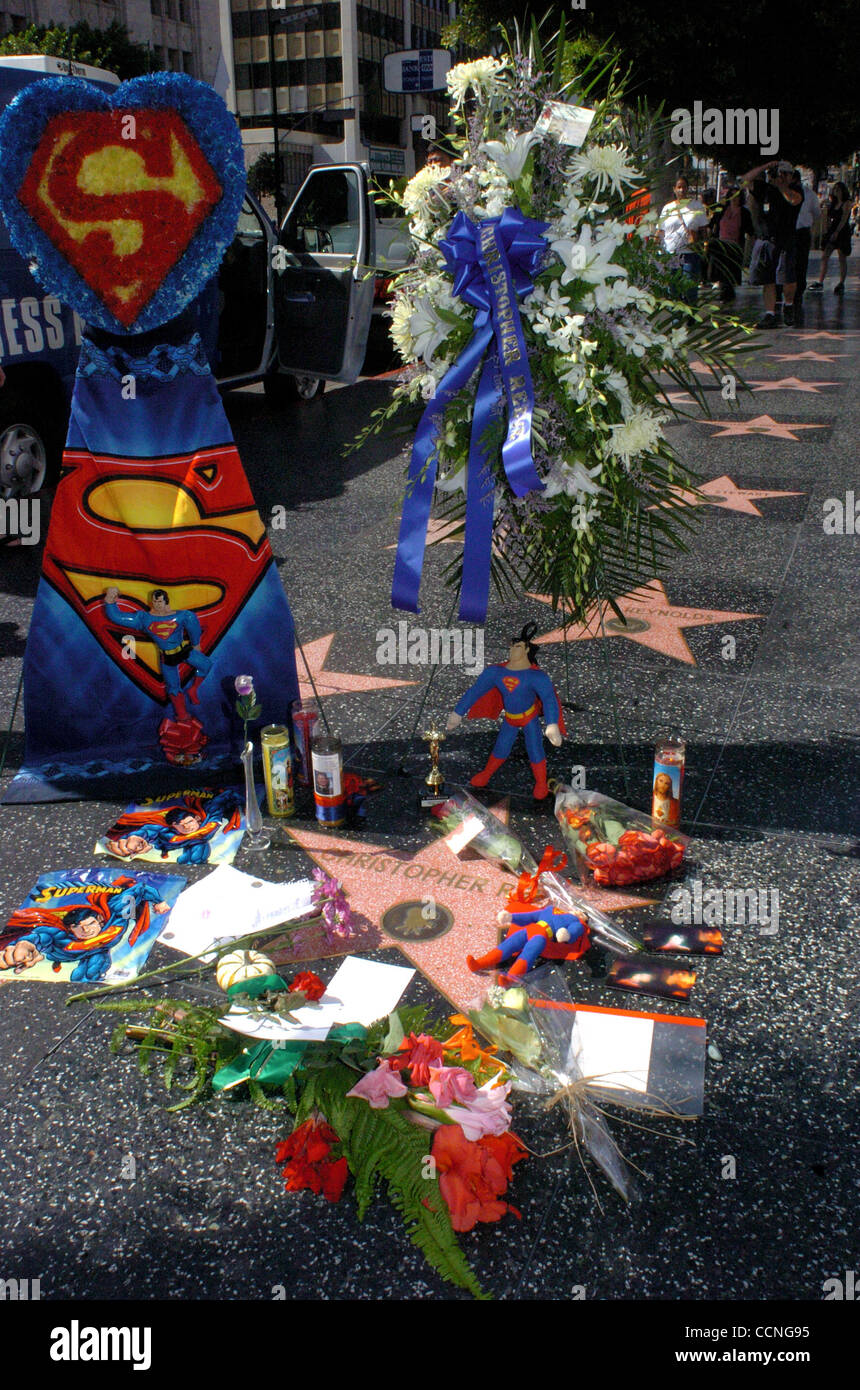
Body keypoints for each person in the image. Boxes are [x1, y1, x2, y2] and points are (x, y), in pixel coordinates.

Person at [446, 622, 564, 799]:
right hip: (510, 717)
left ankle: (541, 782)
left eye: (518, 646)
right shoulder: (495, 672)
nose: (512, 649)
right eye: (512, 646)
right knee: (501, 746)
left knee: (534, 747)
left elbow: (548, 699)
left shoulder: (537, 677)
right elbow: (475, 691)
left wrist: (552, 723)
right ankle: (486, 774)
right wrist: (458, 712)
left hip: (529, 717)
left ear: (526, 650)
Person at [104, 586, 212, 723]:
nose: (157, 604)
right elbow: (118, 617)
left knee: (206, 665)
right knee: (173, 688)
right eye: (155, 601)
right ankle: (183, 716)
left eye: (160, 601)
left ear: (166, 602)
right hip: (166, 658)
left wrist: (196, 643)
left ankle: (193, 689)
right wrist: (110, 601)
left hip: (182, 650)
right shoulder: (144, 619)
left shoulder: (181, 616)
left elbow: (193, 624)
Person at [741, 159, 803, 328]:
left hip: (785, 240)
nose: (782, 176)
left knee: (787, 278)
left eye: (786, 174)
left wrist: (781, 185)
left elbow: (793, 200)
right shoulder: (764, 189)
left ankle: (788, 304)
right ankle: (770, 313)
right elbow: (745, 180)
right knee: (767, 279)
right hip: (766, 239)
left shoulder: (796, 190)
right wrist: (765, 166)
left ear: (791, 176)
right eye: (779, 173)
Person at [657, 175, 709, 302]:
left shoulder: (696, 206)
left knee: (689, 286)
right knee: (673, 289)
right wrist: (655, 247)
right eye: (679, 187)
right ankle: (676, 318)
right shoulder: (668, 208)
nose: (681, 190)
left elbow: (704, 229)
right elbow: (661, 230)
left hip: (689, 253)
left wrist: (705, 247)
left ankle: (691, 314)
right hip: (671, 254)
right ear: (674, 189)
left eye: (684, 187)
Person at [808, 182, 852, 294]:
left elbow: (844, 219)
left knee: (842, 257)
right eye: (835, 189)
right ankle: (820, 281)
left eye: (838, 189)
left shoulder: (846, 203)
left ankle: (841, 282)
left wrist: (837, 231)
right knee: (824, 256)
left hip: (842, 232)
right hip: (832, 231)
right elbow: (827, 217)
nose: (836, 192)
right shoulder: (833, 203)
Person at [712, 186, 751, 301]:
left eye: (737, 196)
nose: (734, 198)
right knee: (722, 270)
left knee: (731, 270)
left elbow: (750, 230)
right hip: (721, 244)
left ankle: (728, 292)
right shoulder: (722, 209)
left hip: (735, 246)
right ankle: (724, 291)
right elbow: (713, 224)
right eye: (732, 195)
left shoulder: (744, 212)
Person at [794, 177, 821, 307]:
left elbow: (817, 213)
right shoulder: (784, 192)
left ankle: (798, 290)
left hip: (803, 231)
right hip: (789, 231)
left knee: (801, 261)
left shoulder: (809, 194)